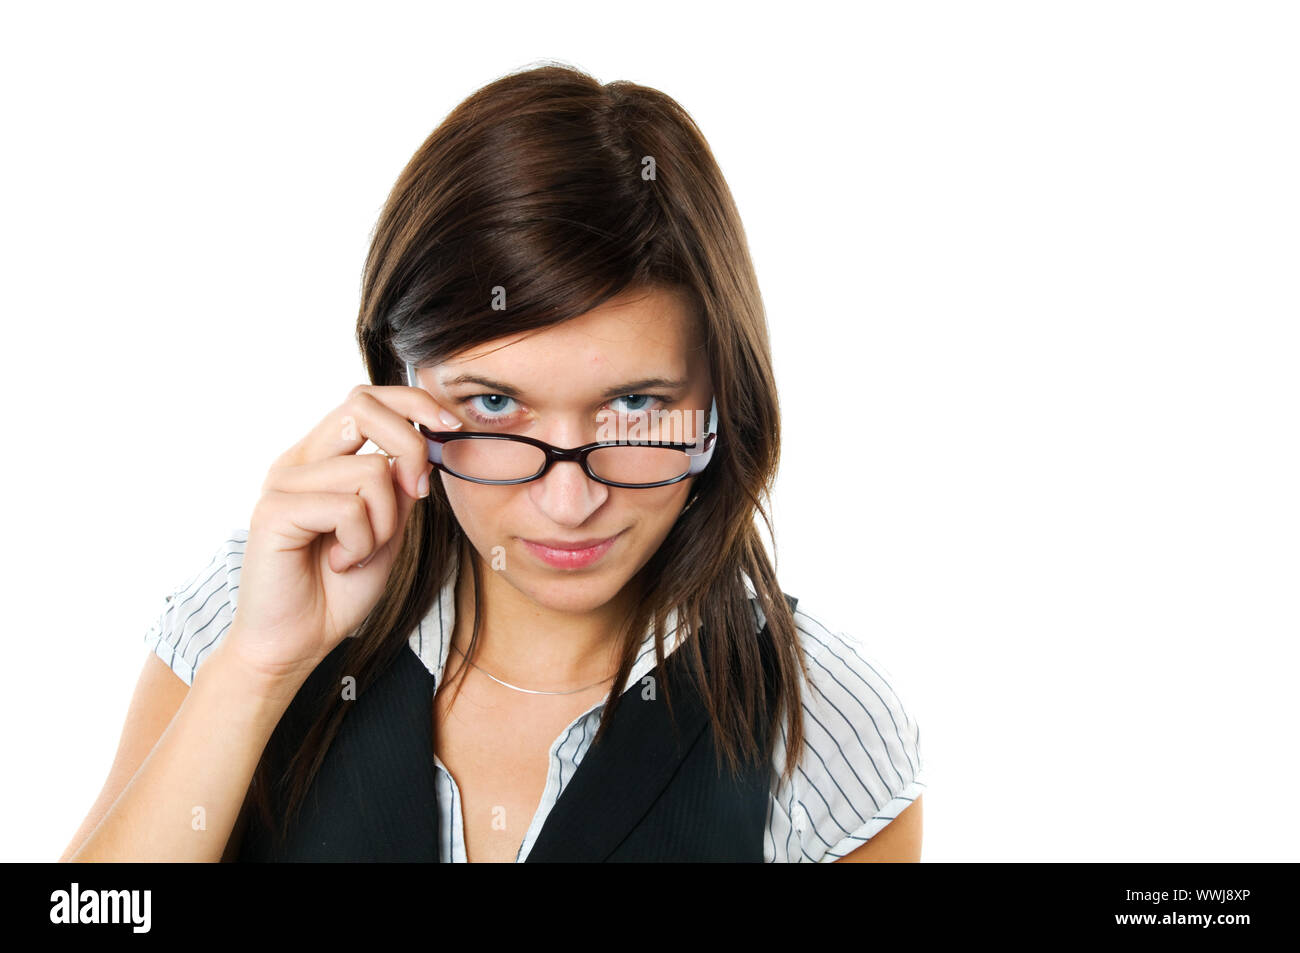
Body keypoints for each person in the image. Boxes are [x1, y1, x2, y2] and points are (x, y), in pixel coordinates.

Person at [60, 62, 925, 863]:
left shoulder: (823, 723)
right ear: (403, 386)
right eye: (495, 404)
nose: (568, 498)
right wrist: (255, 670)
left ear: (720, 397)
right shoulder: (255, 606)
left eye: (634, 406)